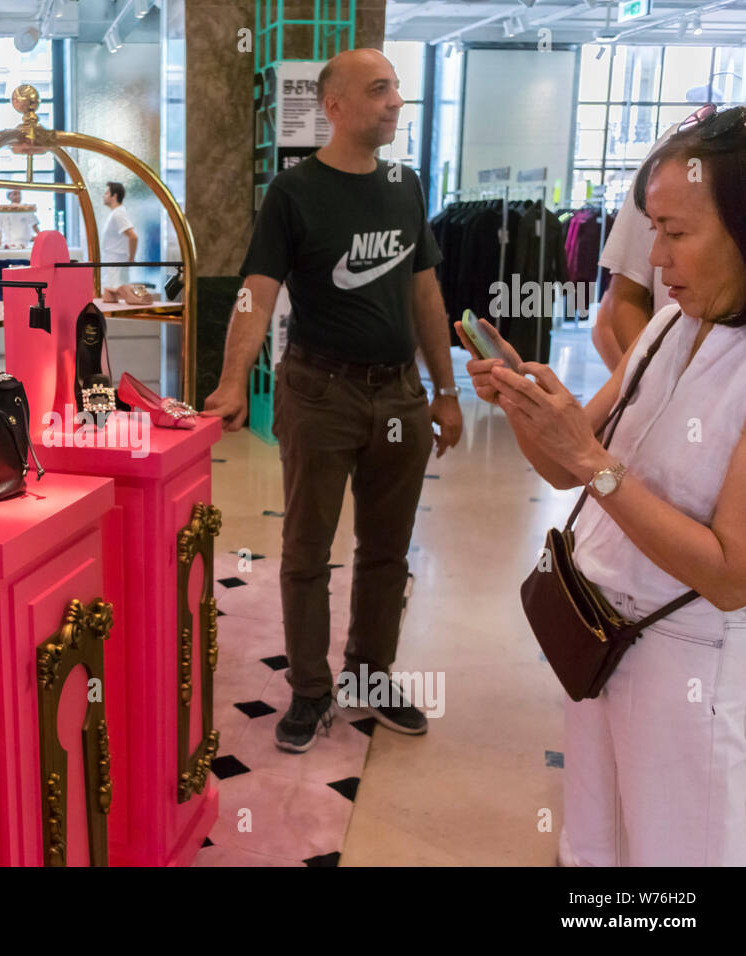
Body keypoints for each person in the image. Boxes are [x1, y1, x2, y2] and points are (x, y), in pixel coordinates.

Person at [459, 105, 746, 866]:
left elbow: (729, 574)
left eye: (677, 233)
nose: (656, 259)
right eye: (652, 229)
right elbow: (566, 462)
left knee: (678, 855)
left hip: (691, 666)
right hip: (601, 639)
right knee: (596, 845)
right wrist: (528, 407)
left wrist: (592, 461)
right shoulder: (667, 327)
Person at [203, 48, 463, 752]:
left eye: (398, 90)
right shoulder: (295, 191)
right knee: (307, 550)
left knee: (386, 550)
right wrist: (234, 379)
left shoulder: (406, 185)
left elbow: (426, 291)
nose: (395, 102)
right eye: (380, 90)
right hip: (319, 391)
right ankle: (311, 692)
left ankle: (369, 680)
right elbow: (259, 290)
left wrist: (445, 390)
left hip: (400, 395)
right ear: (336, 106)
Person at [592, 124, 681, 369]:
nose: (657, 257)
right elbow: (614, 312)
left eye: (676, 233)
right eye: (658, 230)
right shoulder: (684, 145)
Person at [101, 181, 137, 288]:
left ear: (114, 196)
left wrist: (131, 259)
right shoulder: (115, 213)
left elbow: (133, 236)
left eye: (106, 193)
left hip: (117, 261)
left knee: (115, 293)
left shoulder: (119, 213)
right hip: (112, 261)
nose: (103, 196)